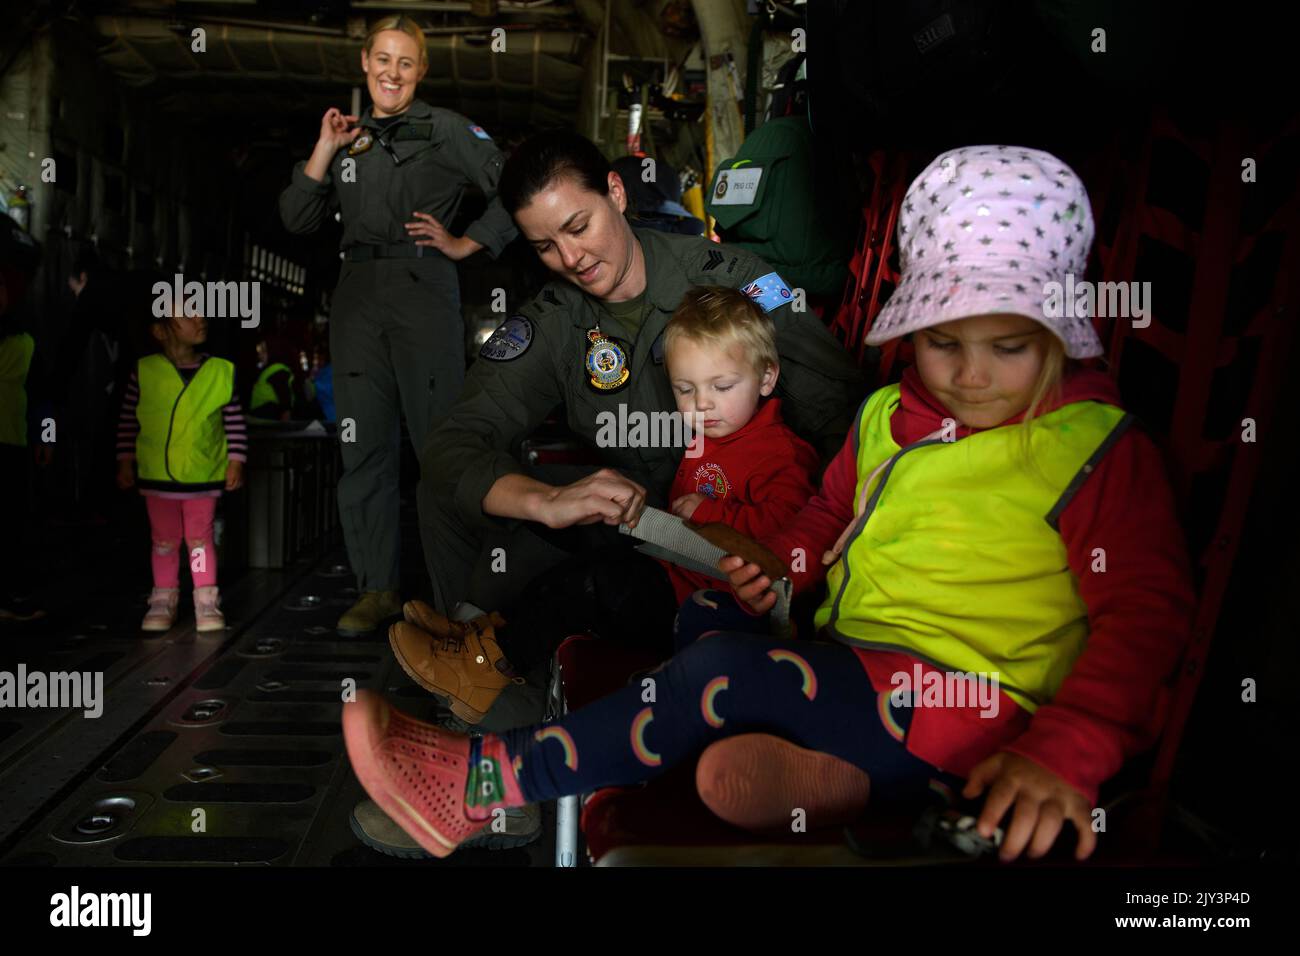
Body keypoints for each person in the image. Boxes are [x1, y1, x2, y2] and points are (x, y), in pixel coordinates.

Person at [343, 145, 1194, 863]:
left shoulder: (1087, 445)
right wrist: (559, 503)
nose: (971, 375)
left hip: (957, 691)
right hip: (824, 632)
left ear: (614, 195)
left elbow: (1145, 614)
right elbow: (835, 508)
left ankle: (487, 779)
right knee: (699, 619)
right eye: (941, 342)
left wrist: (1067, 752)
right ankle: (810, 769)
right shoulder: (892, 415)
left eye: (1007, 346)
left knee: (710, 664)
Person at [388, 285, 820, 722]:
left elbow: (783, 534)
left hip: (715, 603)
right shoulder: (717, 429)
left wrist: (707, 513)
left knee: (593, 583)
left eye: (722, 386)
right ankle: (482, 635)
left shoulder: (781, 453)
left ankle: (481, 669)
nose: (702, 404)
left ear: (766, 377)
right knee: (571, 550)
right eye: (684, 390)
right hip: (675, 568)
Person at [278, 14, 517, 637]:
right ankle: (376, 589)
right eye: (382, 59)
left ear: (422, 70)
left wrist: (470, 243)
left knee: (438, 446)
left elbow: (514, 185)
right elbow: (296, 219)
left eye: (405, 62)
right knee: (363, 449)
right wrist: (324, 148)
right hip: (356, 297)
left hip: (424, 289)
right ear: (364, 63)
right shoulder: (347, 141)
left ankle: (455, 596)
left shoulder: (445, 130)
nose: (392, 72)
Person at [116, 303, 247, 633]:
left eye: (201, 312)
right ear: (160, 330)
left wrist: (236, 460)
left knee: (199, 539)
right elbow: (128, 422)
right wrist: (125, 461)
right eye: (187, 315)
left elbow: (234, 423)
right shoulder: (144, 371)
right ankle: (163, 598)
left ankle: (205, 598)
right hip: (157, 477)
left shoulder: (220, 371)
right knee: (163, 540)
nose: (200, 318)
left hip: (202, 476)